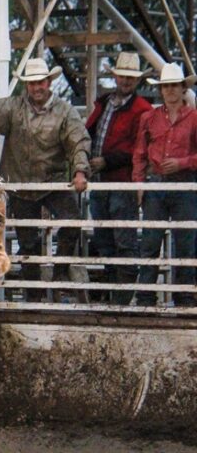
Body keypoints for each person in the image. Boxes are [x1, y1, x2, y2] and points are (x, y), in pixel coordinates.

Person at [0, 58, 91, 302]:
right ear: (27, 86)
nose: (36, 87)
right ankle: (34, 295)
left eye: (40, 82)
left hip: (53, 182)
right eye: (31, 83)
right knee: (27, 243)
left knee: (71, 221)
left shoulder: (64, 112)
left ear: (49, 82)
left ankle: (61, 270)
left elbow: (78, 141)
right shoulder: (14, 108)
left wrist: (80, 170)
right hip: (22, 185)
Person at [86, 52, 152, 304]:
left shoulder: (141, 109)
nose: (126, 81)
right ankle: (116, 297)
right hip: (102, 181)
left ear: (136, 81)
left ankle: (121, 299)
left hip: (122, 180)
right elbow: (88, 134)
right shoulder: (104, 104)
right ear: (115, 76)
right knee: (105, 241)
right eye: (123, 76)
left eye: (130, 78)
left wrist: (106, 161)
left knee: (123, 241)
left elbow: (138, 148)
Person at [132, 63, 197, 307]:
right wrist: (138, 183)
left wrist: (183, 163)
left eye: (174, 86)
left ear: (182, 89)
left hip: (185, 184)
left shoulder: (194, 118)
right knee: (150, 240)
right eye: (166, 86)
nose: (169, 90)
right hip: (156, 183)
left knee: (186, 242)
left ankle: (184, 295)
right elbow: (139, 153)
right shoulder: (149, 118)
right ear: (161, 90)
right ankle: (146, 295)